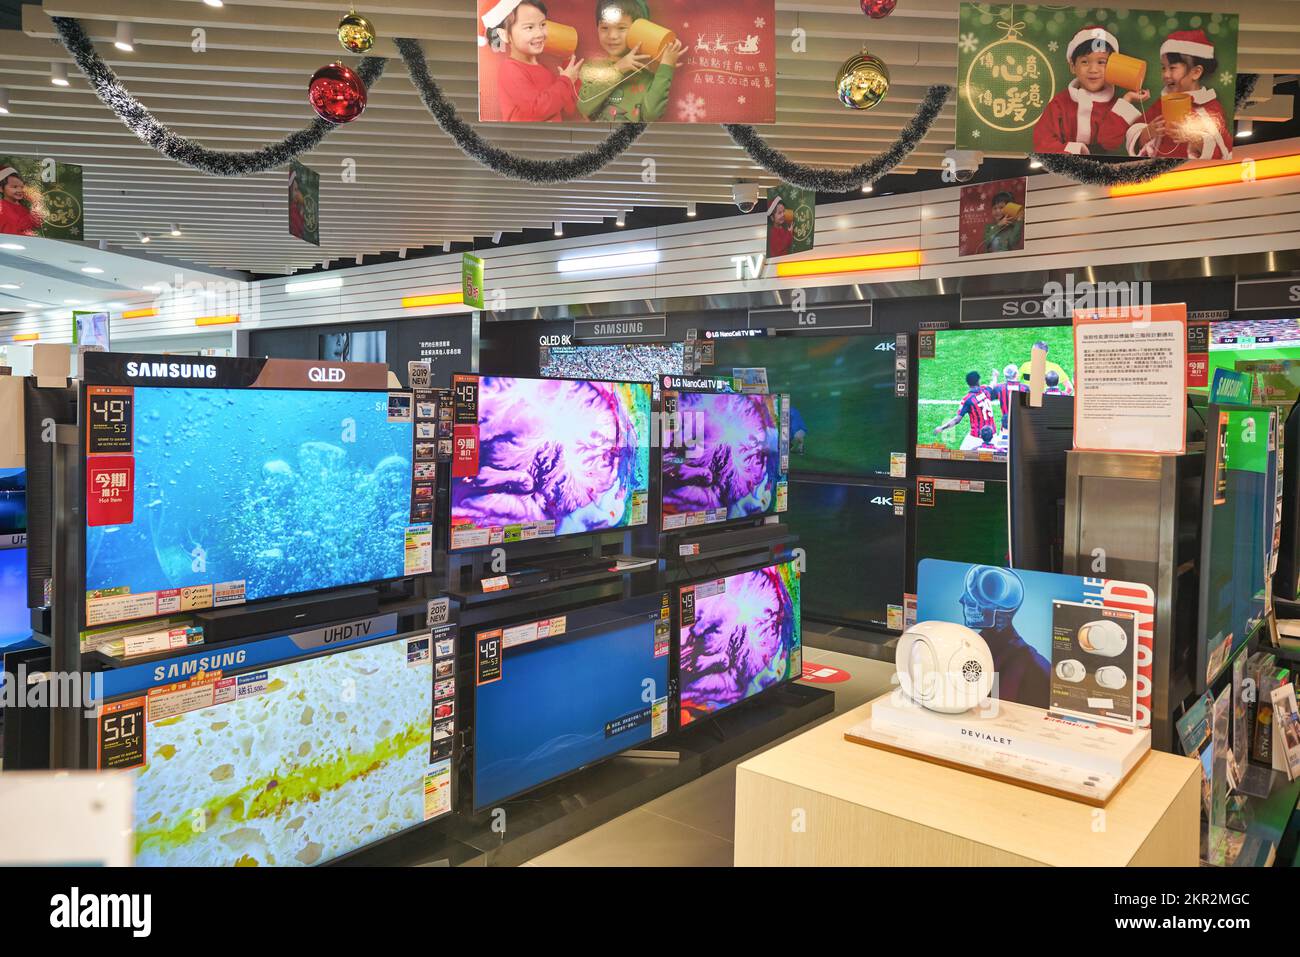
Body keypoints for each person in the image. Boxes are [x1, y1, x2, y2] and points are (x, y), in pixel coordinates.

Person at [1118, 29, 1230, 160]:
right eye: (1163, 68)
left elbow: (1224, 149)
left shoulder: (1210, 107)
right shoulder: (1161, 103)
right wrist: (1147, 132)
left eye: (1172, 68)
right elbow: (1137, 132)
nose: (1165, 75)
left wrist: (1196, 140)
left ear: (1196, 73)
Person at [1031, 26, 1135, 155]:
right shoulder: (1060, 103)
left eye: (1101, 62)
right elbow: (1043, 141)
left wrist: (1127, 100)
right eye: (1085, 62)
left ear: (1113, 66)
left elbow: (1109, 143)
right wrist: (1075, 151)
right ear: (1073, 66)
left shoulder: (1117, 106)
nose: (1093, 69)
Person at [958, 565, 1051, 707]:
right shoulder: (967, 650)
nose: (963, 600)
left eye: (977, 597)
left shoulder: (1034, 667)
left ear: (1001, 608)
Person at [577, 0, 684, 122]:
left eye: (621, 28)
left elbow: (651, 115)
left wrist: (666, 67)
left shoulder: (646, 77)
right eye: (604, 28)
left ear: (639, 31)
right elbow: (584, 107)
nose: (612, 35)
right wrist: (618, 69)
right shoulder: (593, 68)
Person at [484, 0, 583, 122]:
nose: (540, 34)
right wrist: (566, 81)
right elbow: (537, 110)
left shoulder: (544, 70)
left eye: (542, 25)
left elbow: (569, 109)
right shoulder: (510, 69)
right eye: (529, 27)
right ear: (504, 35)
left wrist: (569, 64)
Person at [933, 371, 997, 452]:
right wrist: (995, 376)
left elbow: (957, 420)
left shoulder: (968, 400)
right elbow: (993, 384)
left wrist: (942, 428)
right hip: (993, 435)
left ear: (968, 383)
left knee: (961, 456)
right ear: (978, 381)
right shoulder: (986, 390)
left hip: (976, 437)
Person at [0, 166, 42, 236]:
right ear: (1, 188)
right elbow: (19, 226)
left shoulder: (22, 207)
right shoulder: (2, 208)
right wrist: (36, 204)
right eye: (14, 187)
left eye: (22, 187)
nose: (20, 190)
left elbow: (36, 224)